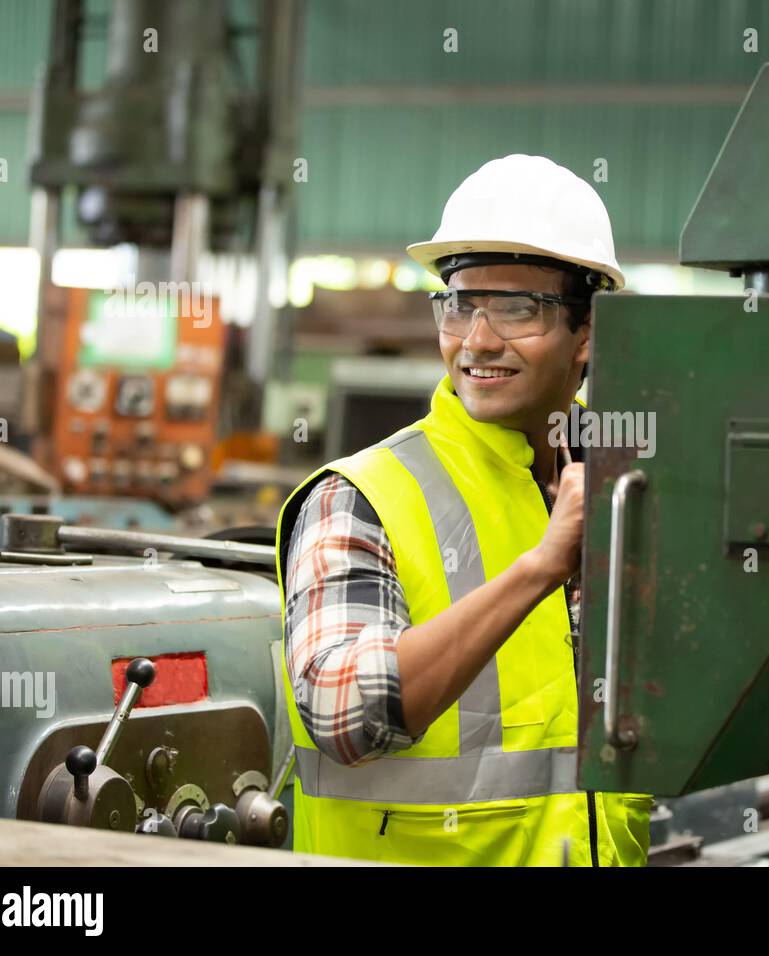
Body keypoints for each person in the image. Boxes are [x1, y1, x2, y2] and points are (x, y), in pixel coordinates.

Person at [275, 154, 652, 865]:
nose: (477, 340)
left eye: (516, 308)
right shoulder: (361, 496)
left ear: (590, 331)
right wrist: (543, 566)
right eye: (459, 304)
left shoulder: (620, 478)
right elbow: (339, 713)